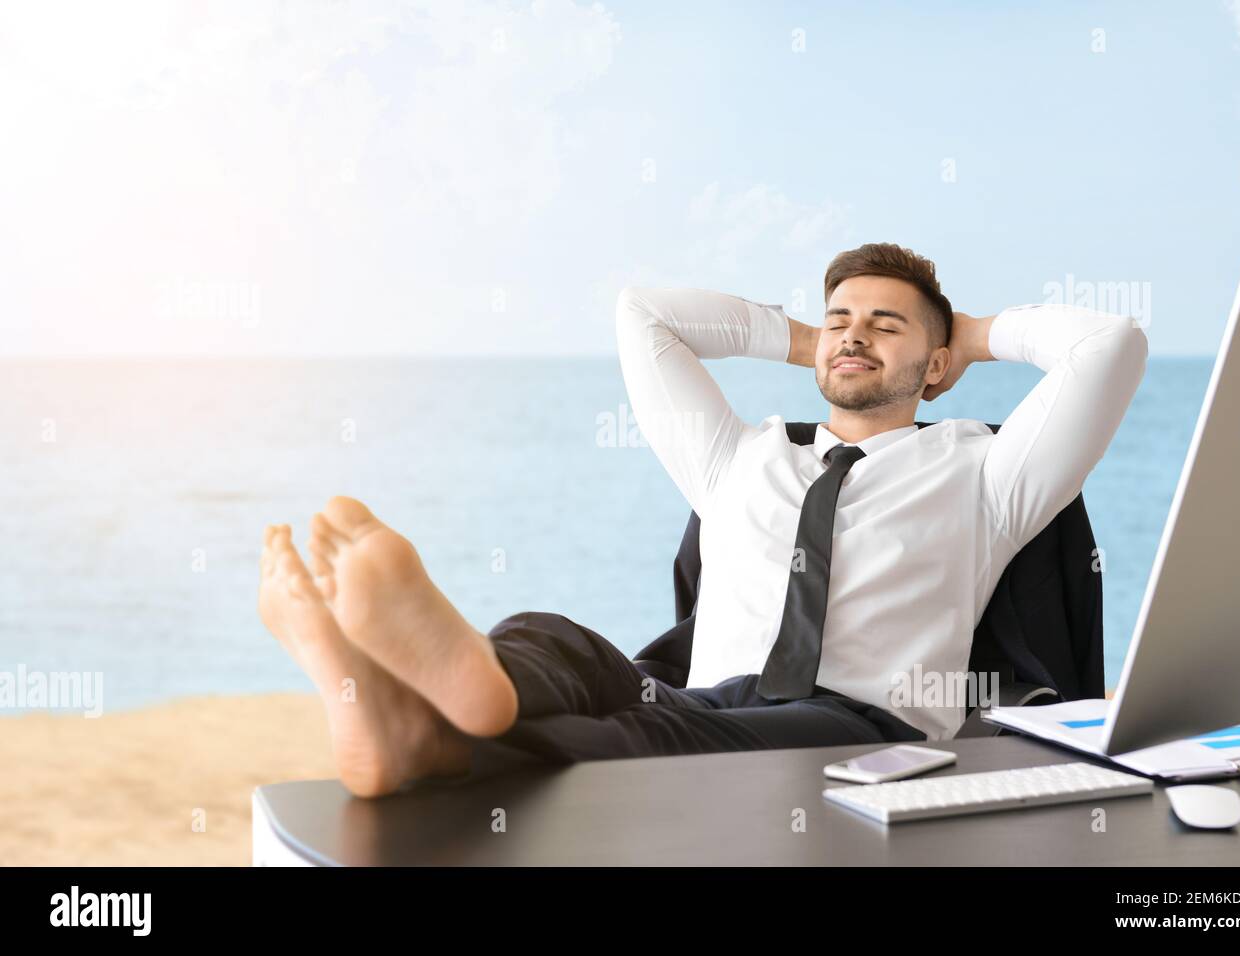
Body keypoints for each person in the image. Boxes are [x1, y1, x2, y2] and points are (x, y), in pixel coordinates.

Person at [256, 242, 1147, 797]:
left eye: (885, 324)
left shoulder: (986, 471)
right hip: (701, 697)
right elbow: (643, 313)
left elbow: (1111, 347)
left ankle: (417, 734)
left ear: (940, 363)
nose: (852, 334)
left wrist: (971, 330)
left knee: (645, 737)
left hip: (870, 724)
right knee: (555, 637)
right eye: (839, 319)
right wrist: (806, 337)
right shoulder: (738, 456)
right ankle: (448, 700)